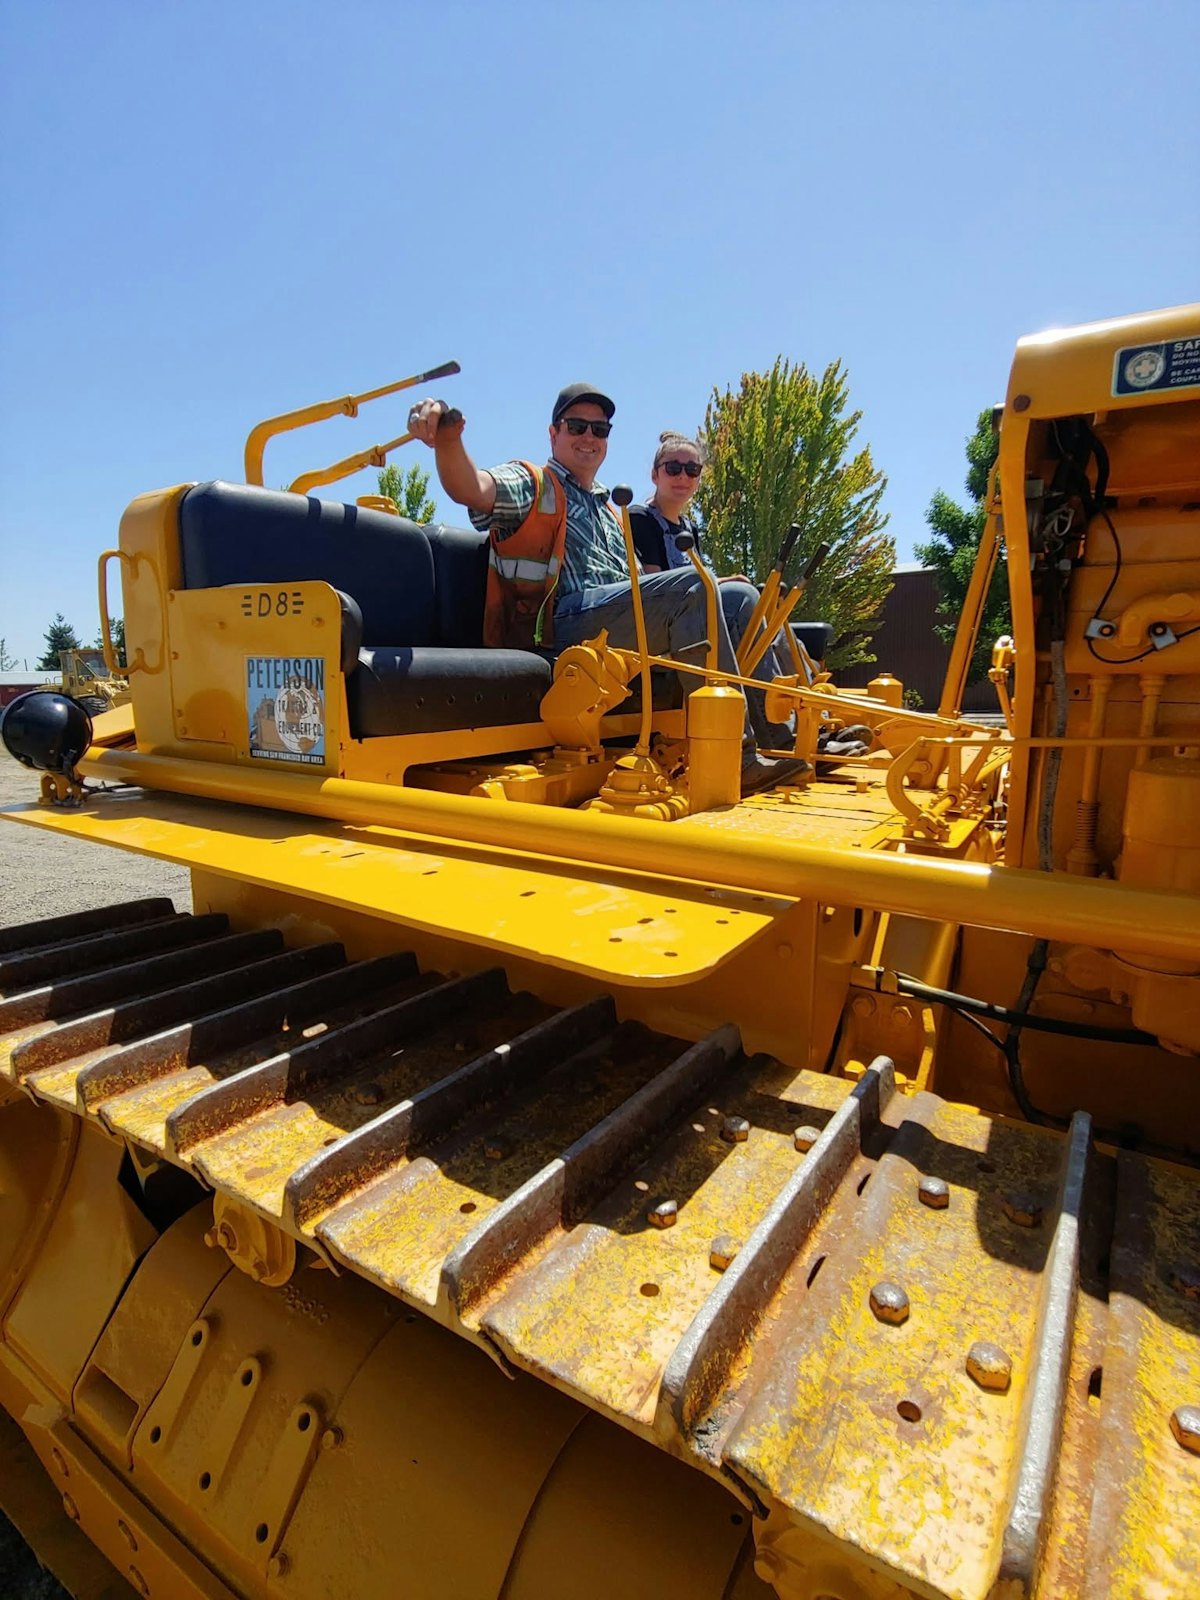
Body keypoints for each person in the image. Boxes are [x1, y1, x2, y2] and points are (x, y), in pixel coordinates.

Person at [406, 384, 809, 793]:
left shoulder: (607, 509)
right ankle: (733, 758)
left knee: (740, 597)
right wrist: (448, 440)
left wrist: (717, 583)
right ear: (553, 433)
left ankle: (782, 741)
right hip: (555, 626)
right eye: (576, 426)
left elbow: (644, 587)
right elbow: (471, 488)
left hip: (609, 620)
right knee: (693, 587)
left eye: (600, 430)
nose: (589, 437)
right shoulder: (534, 482)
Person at [629, 431, 798, 754]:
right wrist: (722, 583)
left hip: (696, 614)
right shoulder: (640, 519)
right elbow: (661, 587)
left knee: (776, 626)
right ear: (655, 474)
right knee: (742, 599)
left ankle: (809, 723)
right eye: (673, 468)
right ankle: (777, 738)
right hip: (667, 624)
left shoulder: (689, 527)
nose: (683, 477)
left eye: (692, 470)